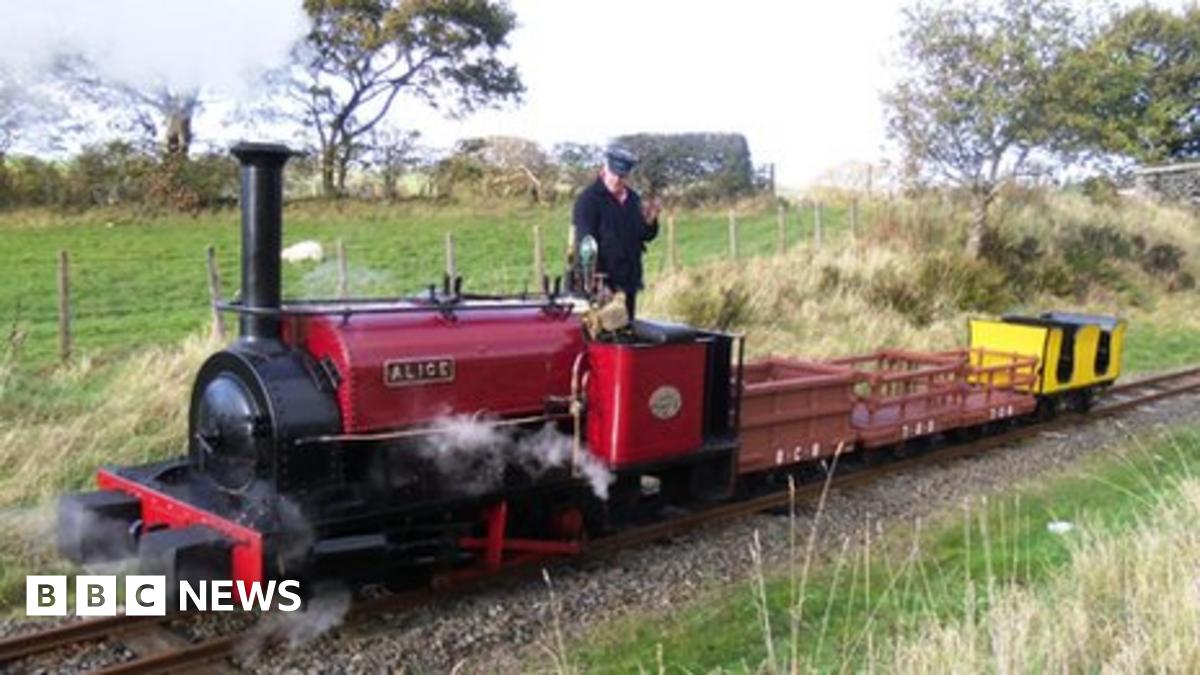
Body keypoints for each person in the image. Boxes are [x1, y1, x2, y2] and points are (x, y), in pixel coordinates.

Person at [572, 146, 662, 320]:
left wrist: (650, 221)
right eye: (614, 174)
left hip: (628, 282)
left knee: (627, 334)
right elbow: (586, 244)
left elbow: (644, 236)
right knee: (603, 338)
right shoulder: (588, 200)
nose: (617, 180)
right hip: (601, 284)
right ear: (604, 169)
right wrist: (597, 284)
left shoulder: (633, 199)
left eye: (622, 177)